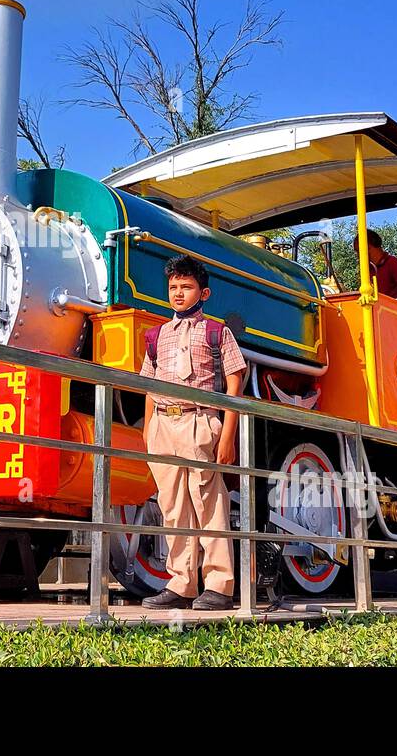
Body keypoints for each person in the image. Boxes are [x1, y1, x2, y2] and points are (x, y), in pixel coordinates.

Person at [138, 255, 247, 611]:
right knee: (172, 507)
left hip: (201, 422)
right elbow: (148, 386)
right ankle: (181, 582)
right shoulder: (156, 336)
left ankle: (219, 583)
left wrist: (228, 435)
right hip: (163, 425)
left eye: (186, 287)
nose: (178, 294)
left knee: (208, 502)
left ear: (204, 293)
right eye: (173, 288)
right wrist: (147, 430)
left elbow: (235, 384)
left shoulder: (218, 332)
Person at [352, 229, 397, 300]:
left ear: (368, 247)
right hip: (374, 309)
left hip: (392, 309)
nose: (357, 256)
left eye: (358, 251)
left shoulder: (392, 263)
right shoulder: (366, 270)